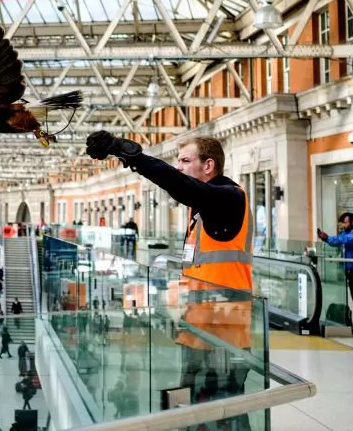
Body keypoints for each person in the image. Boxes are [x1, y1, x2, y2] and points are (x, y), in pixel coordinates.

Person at [86, 133, 254, 413]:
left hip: (225, 333)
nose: (180, 167)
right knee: (190, 405)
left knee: (224, 412)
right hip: (200, 325)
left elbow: (181, 185)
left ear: (208, 165)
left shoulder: (228, 198)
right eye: (178, 161)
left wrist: (133, 156)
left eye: (186, 161)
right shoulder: (201, 208)